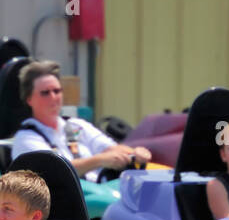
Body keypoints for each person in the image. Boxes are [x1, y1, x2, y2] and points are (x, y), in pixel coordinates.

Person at [10, 60, 151, 181]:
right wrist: (101, 160)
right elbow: (56, 172)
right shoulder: (26, 139)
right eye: (45, 93)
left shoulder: (76, 126)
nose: (53, 97)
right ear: (29, 99)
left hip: (98, 195)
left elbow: (110, 148)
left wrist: (135, 153)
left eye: (57, 91)